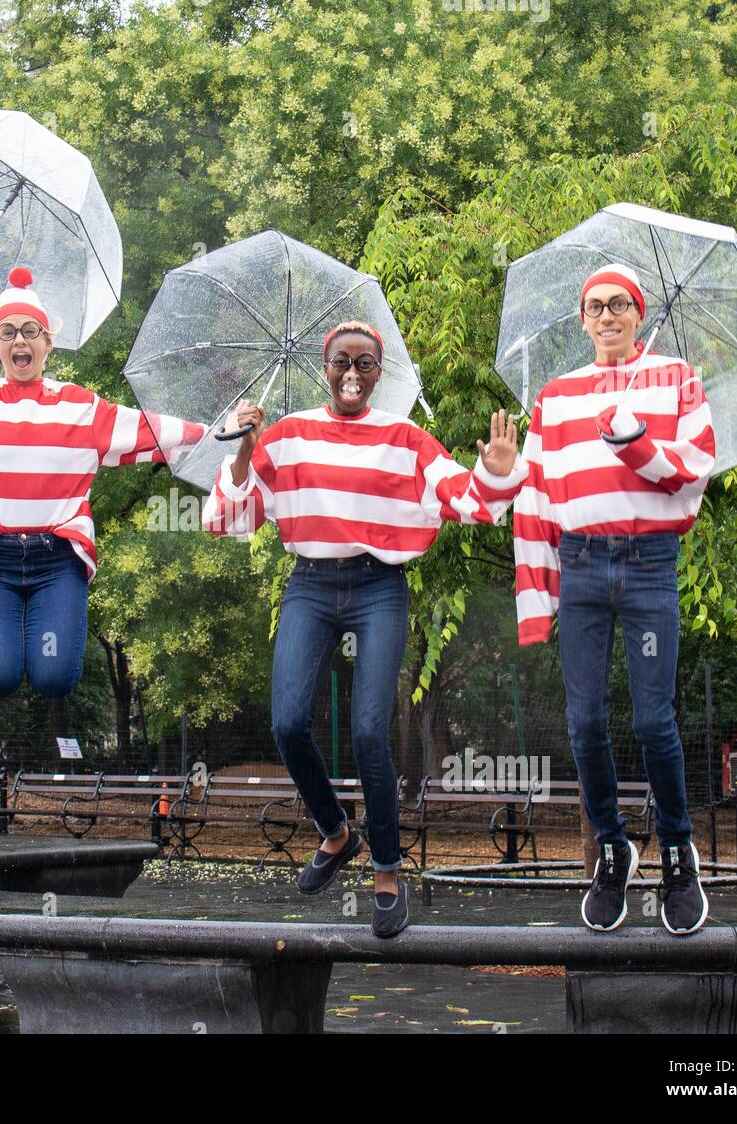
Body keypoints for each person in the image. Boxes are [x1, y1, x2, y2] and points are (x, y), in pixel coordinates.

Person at [203, 320, 525, 937]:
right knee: (287, 721)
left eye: (366, 363)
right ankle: (335, 830)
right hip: (312, 584)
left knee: (371, 728)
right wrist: (244, 447)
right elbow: (231, 517)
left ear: (380, 371)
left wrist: (497, 471)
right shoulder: (289, 434)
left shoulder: (404, 437)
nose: (353, 373)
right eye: (341, 362)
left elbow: (466, 499)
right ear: (324, 367)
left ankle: (385, 869)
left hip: (379, 586)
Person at [0, 267, 204, 701]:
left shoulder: (78, 407)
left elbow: (152, 432)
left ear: (47, 343)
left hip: (57, 561)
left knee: (53, 680)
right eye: (7, 331)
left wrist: (218, 432)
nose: (19, 340)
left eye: (31, 330)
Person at [509, 263, 715, 935]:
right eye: (595, 306)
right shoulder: (557, 396)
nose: (607, 316)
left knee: (655, 722)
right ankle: (612, 846)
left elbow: (692, 476)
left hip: (651, 565)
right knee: (584, 723)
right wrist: (536, 593)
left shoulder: (677, 379)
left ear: (639, 312)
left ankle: (678, 850)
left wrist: (635, 442)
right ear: (582, 319)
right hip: (584, 567)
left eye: (619, 304)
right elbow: (536, 497)